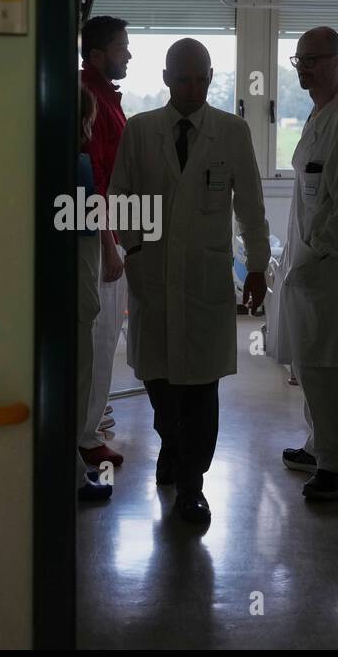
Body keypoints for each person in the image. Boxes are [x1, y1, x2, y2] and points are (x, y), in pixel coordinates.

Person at [109, 38, 270, 525]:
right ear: (165, 79)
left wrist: (258, 266)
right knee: (158, 379)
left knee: (200, 388)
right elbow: (118, 195)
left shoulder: (232, 131)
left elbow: (251, 206)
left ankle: (193, 486)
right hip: (153, 275)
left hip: (204, 279)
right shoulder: (140, 131)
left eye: (203, 78)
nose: (195, 87)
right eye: (184, 78)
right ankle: (172, 446)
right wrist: (134, 248)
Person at [277, 26, 338, 501]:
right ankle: (319, 446)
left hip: (330, 264)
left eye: (312, 60)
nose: (305, 69)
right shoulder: (318, 115)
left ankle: (336, 466)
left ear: (336, 60)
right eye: (299, 61)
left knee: (326, 362)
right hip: (308, 258)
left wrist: (316, 252)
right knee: (308, 361)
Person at [79, 16, 131, 469]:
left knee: (105, 336)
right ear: (96, 55)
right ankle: (85, 436)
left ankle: (90, 420)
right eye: (120, 48)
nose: (128, 54)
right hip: (98, 238)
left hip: (108, 230)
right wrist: (109, 246)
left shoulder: (105, 98)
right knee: (98, 339)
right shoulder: (90, 99)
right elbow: (95, 182)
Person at [75, 86, 113, 501]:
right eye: (88, 120)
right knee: (79, 379)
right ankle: (73, 474)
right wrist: (92, 303)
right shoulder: (81, 168)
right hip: (77, 303)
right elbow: (84, 249)